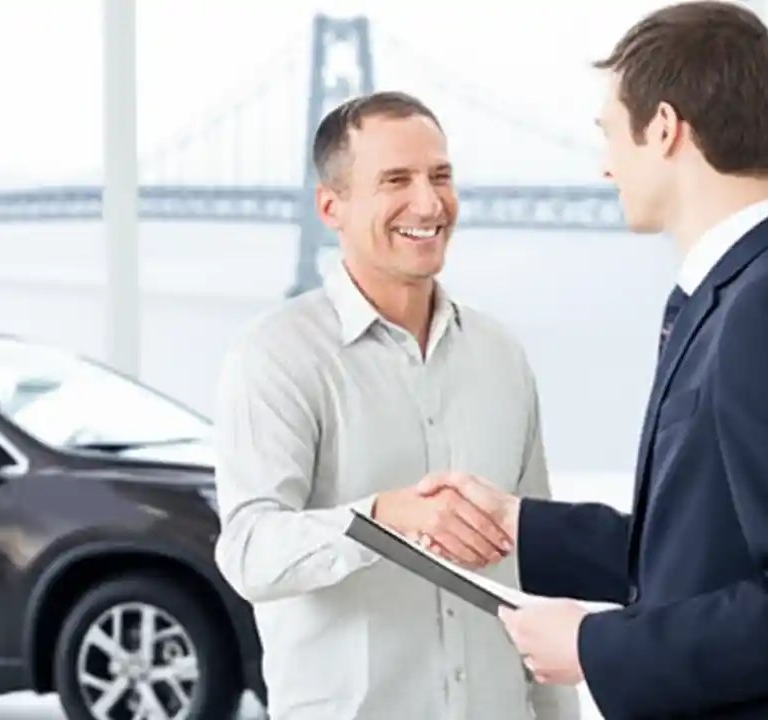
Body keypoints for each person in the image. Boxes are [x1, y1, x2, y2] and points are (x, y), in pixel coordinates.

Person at [421, 2, 768, 718]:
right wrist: (519, 525)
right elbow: (706, 553)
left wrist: (594, 647)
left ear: (666, 128)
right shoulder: (747, 292)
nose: (606, 165)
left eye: (611, 133)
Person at [211, 91, 580, 719]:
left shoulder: (501, 357)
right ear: (331, 207)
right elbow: (249, 552)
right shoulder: (276, 357)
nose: (430, 203)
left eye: (440, 176)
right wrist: (381, 519)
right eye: (396, 180)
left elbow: (536, 572)